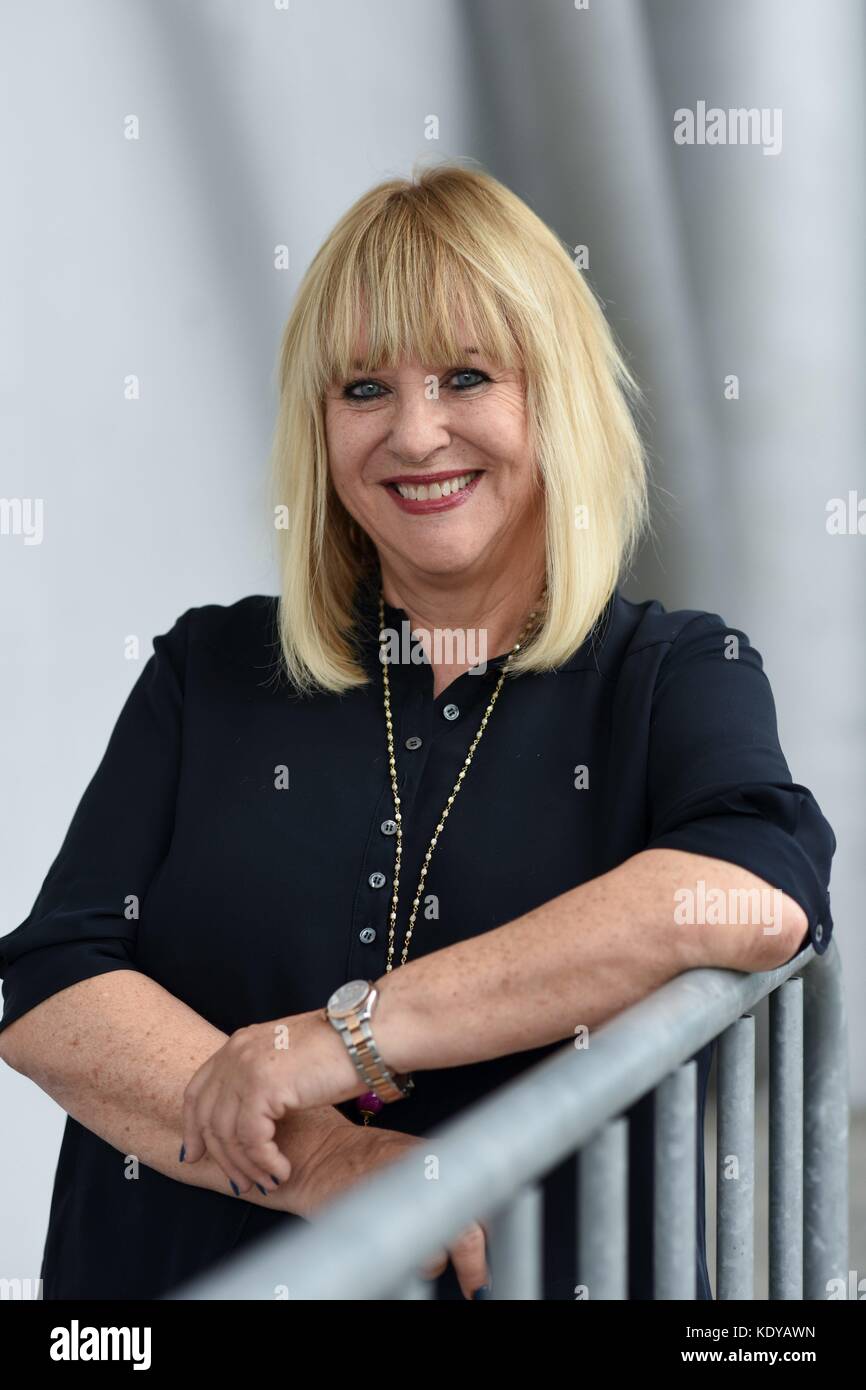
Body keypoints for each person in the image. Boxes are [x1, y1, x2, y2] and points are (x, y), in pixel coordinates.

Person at [0, 163, 835, 1302]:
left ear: (558, 399)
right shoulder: (212, 667)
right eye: (361, 390)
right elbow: (48, 983)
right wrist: (338, 1161)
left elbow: (753, 891)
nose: (414, 432)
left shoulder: (673, 671)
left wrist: (339, 1041)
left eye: (465, 375)